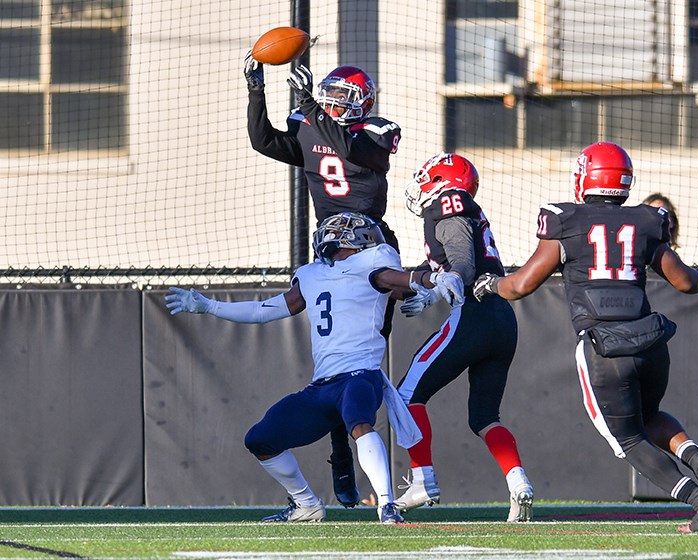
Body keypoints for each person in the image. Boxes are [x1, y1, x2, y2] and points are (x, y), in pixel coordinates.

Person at [473, 142, 698, 533]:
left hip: (603, 347)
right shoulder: (647, 220)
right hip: (650, 341)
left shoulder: (565, 220)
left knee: (628, 440)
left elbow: (522, 285)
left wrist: (490, 285)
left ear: (587, 176)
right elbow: (685, 281)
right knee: (649, 418)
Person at [165, 212, 465, 524]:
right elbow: (262, 311)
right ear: (343, 239)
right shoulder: (312, 275)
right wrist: (209, 306)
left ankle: (386, 505)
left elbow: (402, 280)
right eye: (362, 233)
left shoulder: (372, 266)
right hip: (322, 387)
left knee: (360, 424)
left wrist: (433, 281)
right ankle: (306, 504)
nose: (371, 238)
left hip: (361, 376)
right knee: (260, 439)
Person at [243, 53, 403, 508]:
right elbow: (263, 141)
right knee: (334, 354)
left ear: (364, 102)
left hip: (371, 244)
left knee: (364, 352)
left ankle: (374, 453)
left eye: (342, 97)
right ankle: (341, 454)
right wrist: (257, 90)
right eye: (329, 96)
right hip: (330, 245)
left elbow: (351, 150)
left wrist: (311, 105)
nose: (333, 104)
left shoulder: (377, 132)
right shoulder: (312, 120)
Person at [390, 153, 535, 522]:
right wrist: (422, 286)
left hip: (474, 312)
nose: (421, 184)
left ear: (442, 181)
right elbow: (447, 265)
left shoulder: (448, 205)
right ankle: (519, 484)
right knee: (484, 416)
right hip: (503, 320)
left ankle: (423, 479)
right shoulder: (463, 209)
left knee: (406, 394)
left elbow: (463, 267)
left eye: (428, 177)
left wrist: (433, 294)